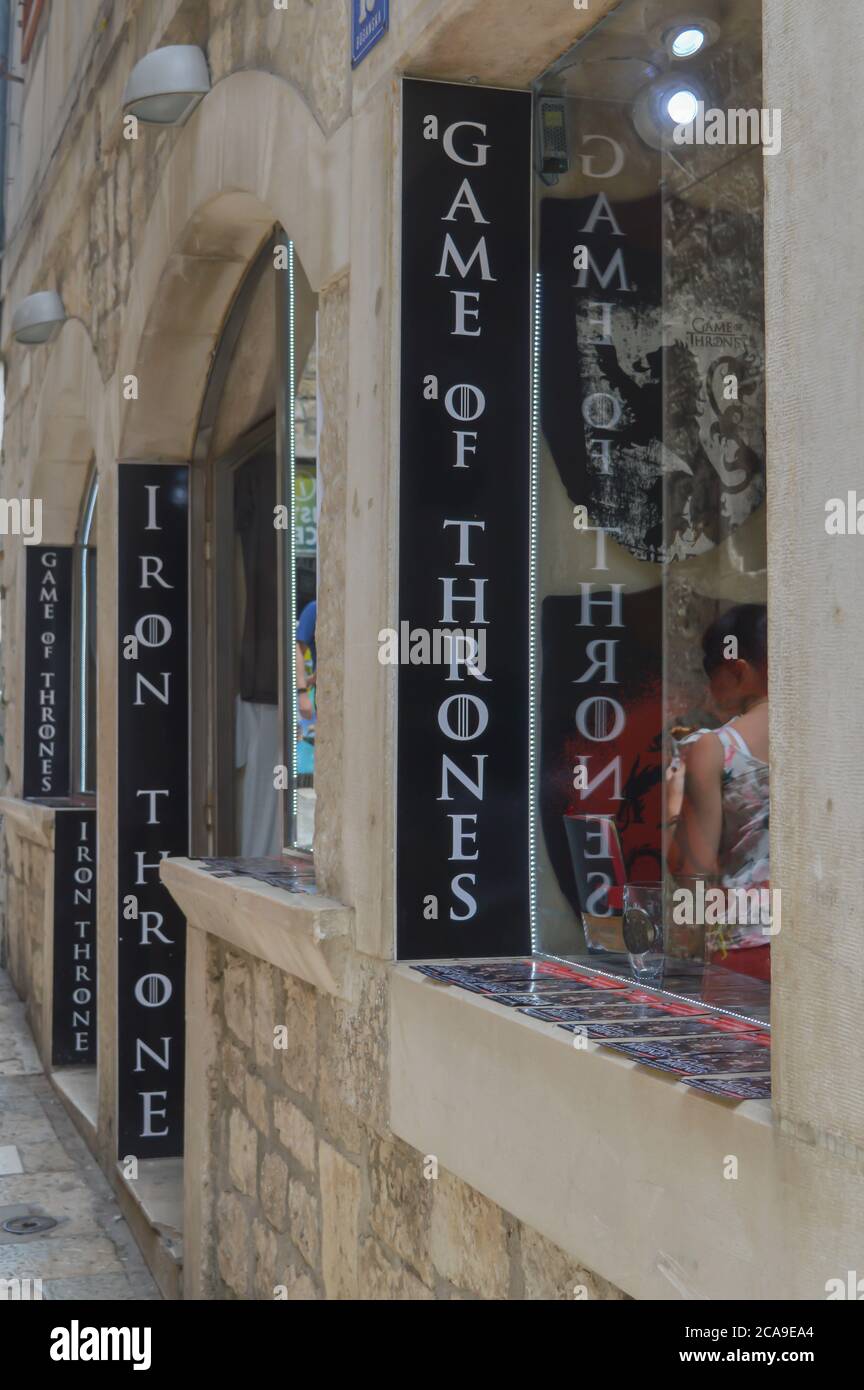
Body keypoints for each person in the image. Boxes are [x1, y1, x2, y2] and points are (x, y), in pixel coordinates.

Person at [667, 603, 770, 980]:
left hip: (746, 942)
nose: (709, 692)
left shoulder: (716, 748)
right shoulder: (837, 736)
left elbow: (691, 866)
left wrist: (673, 808)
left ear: (738, 670)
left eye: (713, 677)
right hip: (827, 943)